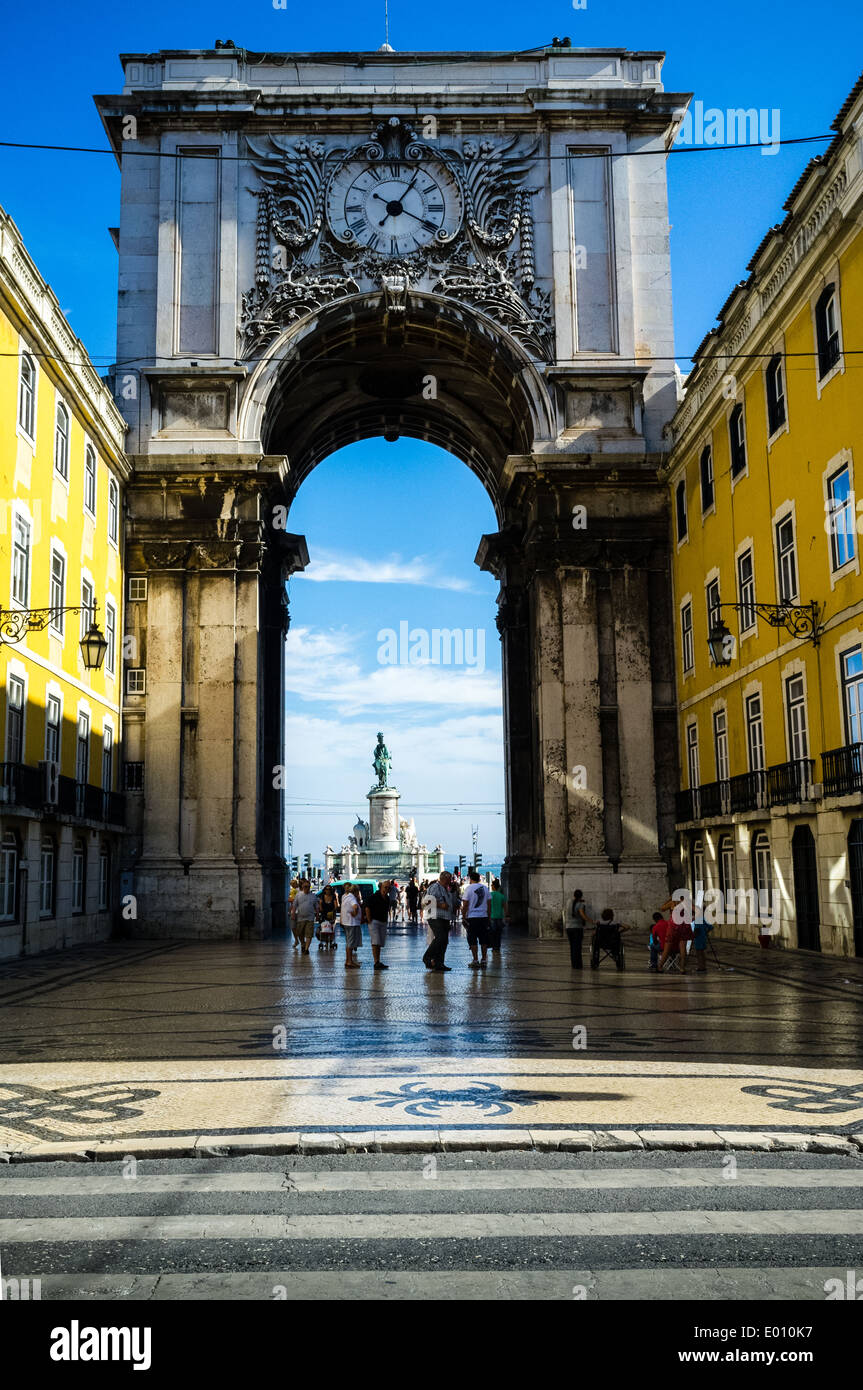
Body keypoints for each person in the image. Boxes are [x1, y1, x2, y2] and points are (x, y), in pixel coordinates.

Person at [422, 871, 454, 971]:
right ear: (444, 878)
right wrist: (440, 905)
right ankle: (427, 957)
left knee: (444, 941)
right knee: (441, 937)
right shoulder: (435, 887)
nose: (451, 880)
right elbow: (427, 901)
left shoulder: (446, 888)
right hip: (435, 916)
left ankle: (439, 963)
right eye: (450, 878)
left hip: (444, 917)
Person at [461, 869, 491, 969]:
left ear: (470, 879)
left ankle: (475, 960)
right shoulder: (485, 888)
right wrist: (489, 917)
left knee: (472, 939)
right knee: (484, 939)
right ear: (479, 879)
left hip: (472, 918)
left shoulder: (469, 889)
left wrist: (463, 916)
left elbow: (465, 904)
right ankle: (483, 959)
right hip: (483, 917)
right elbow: (489, 904)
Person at [367, 879, 391, 970]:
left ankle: (378, 961)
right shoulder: (374, 896)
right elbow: (367, 907)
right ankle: (376, 962)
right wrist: (369, 920)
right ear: (381, 887)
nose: (386, 889)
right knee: (375, 942)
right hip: (374, 921)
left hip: (383, 921)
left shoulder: (387, 898)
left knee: (380, 942)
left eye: (388, 888)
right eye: (385, 887)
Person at [566, 888, 592, 969]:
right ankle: (578, 965)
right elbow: (582, 915)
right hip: (577, 928)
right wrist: (591, 921)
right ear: (581, 896)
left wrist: (580, 900)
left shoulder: (569, 902)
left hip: (568, 928)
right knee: (577, 947)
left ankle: (574, 964)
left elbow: (574, 902)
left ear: (574, 895)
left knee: (572, 947)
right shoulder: (580, 905)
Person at [291, 879, 318, 956]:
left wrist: (317, 915)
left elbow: (316, 906)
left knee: (309, 934)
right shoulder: (298, 895)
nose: (307, 888)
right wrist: (293, 914)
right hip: (300, 918)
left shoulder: (313, 896)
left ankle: (306, 949)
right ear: (302, 887)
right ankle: (303, 944)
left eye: (308, 886)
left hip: (310, 918)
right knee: (300, 933)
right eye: (305, 886)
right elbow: (294, 905)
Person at [340, 881, 363, 969]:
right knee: (350, 943)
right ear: (356, 891)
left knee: (349, 942)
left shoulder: (345, 896)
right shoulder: (352, 898)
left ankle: (348, 960)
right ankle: (349, 961)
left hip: (346, 922)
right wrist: (355, 913)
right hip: (351, 923)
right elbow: (355, 907)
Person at [489, 878, 508, 952]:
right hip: (500, 916)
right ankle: (498, 947)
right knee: (499, 933)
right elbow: (505, 907)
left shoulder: (490, 895)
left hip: (492, 916)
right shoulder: (502, 896)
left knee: (493, 932)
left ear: (493, 886)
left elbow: (487, 906)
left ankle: (494, 947)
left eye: (491, 885)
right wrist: (507, 916)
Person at [318, 883, 339, 951]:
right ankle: (326, 942)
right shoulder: (322, 897)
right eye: (327, 889)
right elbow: (320, 905)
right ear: (325, 890)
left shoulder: (333, 897)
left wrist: (333, 911)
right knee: (324, 929)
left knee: (331, 929)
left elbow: (336, 906)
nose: (328, 891)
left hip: (332, 914)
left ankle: (330, 941)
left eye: (329, 889)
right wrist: (321, 911)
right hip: (324, 914)